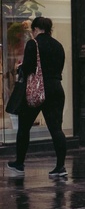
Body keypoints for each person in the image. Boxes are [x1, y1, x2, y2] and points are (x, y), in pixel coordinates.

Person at [7, 16, 67, 178]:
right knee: (56, 129)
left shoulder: (33, 44)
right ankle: (60, 166)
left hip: (36, 90)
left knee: (24, 127)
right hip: (56, 88)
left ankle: (19, 163)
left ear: (35, 29)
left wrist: (20, 67)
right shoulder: (58, 45)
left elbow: (28, 67)